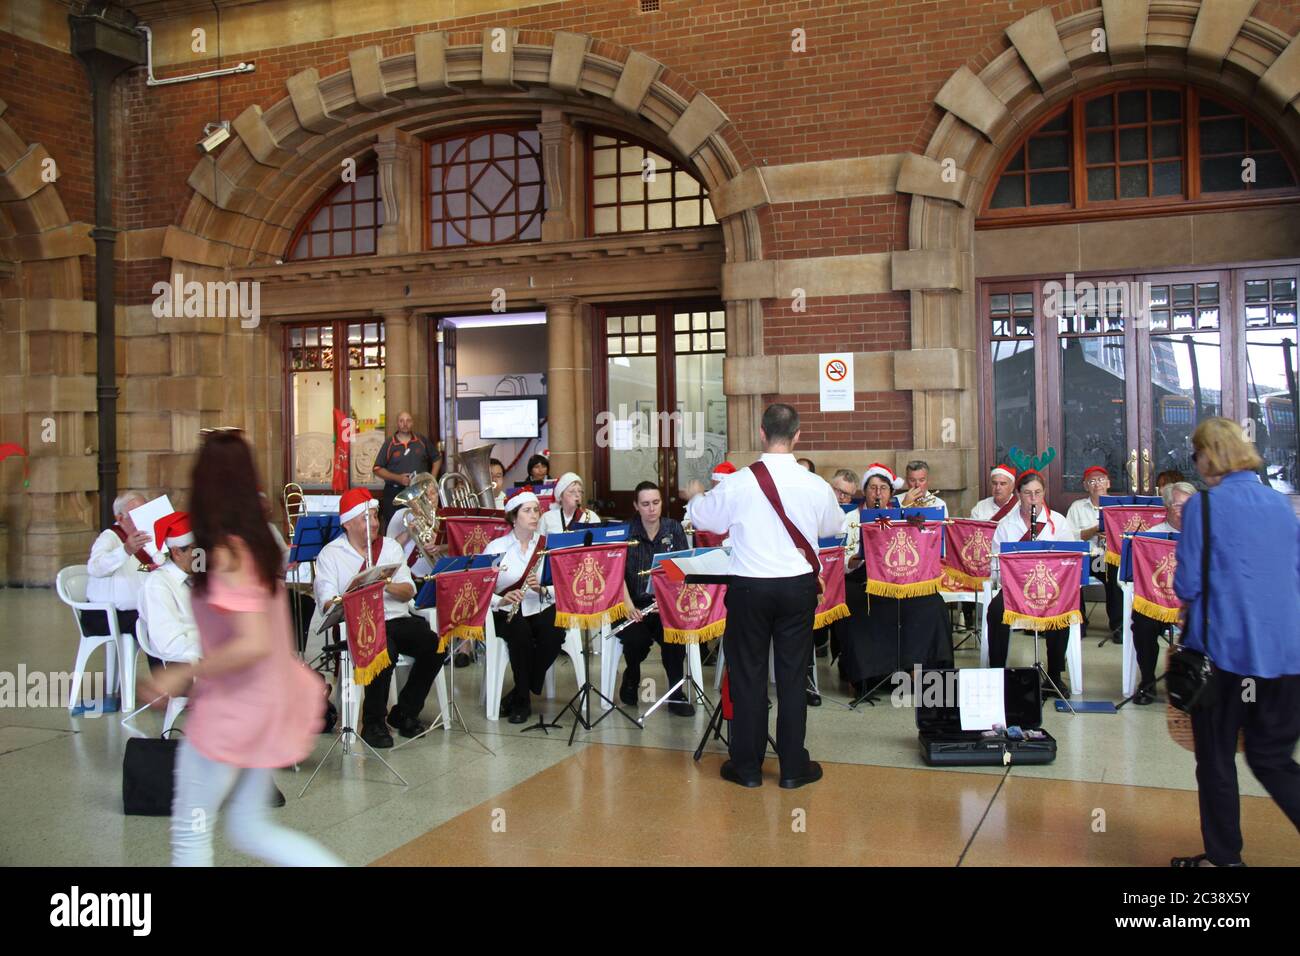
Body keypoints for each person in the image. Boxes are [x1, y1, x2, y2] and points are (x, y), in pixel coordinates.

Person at [141, 430, 342, 867]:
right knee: (251, 828)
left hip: (234, 709)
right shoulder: (257, 543)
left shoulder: (226, 552)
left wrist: (180, 672)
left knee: (191, 837)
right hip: (267, 703)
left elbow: (250, 641)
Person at [687, 403, 844, 790]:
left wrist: (694, 495)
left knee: (748, 677)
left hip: (750, 589)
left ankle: (748, 767)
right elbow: (833, 526)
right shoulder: (814, 484)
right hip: (796, 588)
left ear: (761, 433)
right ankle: (792, 768)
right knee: (792, 677)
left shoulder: (738, 482)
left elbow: (705, 520)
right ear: (798, 436)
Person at [1169, 418, 1300, 867]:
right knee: (1272, 758)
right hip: (1286, 655)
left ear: (1209, 455)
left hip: (1224, 655)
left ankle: (1224, 862)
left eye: (1196, 453)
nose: (1196, 461)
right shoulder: (1281, 505)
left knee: (1217, 760)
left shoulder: (1204, 508)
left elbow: (1186, 585)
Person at [314, 488, 444, 748]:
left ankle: (404, 712)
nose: (373, 523)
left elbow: (409, 591)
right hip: (361, 623)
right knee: (385, 650)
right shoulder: (331, 554)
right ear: (348, 523)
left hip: (397, 618)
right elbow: (327, 602)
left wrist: (384, 585)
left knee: (435, 645)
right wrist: (356, 593)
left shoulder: (391, 547)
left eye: (374, 517)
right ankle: (373, 723)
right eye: (365, 519)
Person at [835, 464, 954, 700]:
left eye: (883, 489)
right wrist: (858, 558)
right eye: (872, 488)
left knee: (932, 605)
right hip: (864, 580)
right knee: (856, 604)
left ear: (891, 493)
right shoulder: (851, 518)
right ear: (865, 492)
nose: (878, 494)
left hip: (902, 580)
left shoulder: (904, 517)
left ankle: (925, 674)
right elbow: (842, 559)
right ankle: (866, 676)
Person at [987, 471, 1079, 698]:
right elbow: (995, 568)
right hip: (1016, 589)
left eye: (1038, 493)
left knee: (1061, 611)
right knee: (995, 610)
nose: (1033, 499)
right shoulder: (1006, 525)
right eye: (1028, 493)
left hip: (1049, 588)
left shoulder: (1058, 522)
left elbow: (1071, 561)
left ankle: (1055, 675)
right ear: (1018, 494)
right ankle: (997, 673)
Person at [483, 492, 562, 724]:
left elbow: (562, 585)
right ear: (514, 517)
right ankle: (522, 702)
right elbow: (481, 589)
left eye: (536, 510)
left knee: (555, 631)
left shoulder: (547, 545)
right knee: (521, 636)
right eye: (527, 511)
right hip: (506, 611)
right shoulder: (496, 547)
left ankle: (522, 689)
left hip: (539, 606)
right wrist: (502, 599)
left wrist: (543, 590)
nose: (534, 515)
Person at [618, 481, 693, 716]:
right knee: (636, 640)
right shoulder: (626, 531)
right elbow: (614, 575)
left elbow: (682, 569)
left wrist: (669, 601)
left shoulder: (673, 528)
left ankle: (675, 693)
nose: (652, 509)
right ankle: (632, 674)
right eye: (646, 504)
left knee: (674, 640)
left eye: (656, 503)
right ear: (636, 506)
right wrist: (628, 606)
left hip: (665, 603)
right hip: (631, 602)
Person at [1129, 481, 1195, 704]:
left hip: (1192, 602)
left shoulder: (1204, 535)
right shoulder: (1152, 536)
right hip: (1159, 600)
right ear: (1166, 507)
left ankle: (1192, 684)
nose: (1184, 512)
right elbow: (1136, 574)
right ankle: (1147, 682)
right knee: (1142, 623)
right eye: (1178, 506)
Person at [85, 490, 162, 648]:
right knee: (157, 631)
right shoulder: (109, 537)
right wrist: (125, 550)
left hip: (138, 610)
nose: (143, 520)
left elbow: (143, 569)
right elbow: (94, 568)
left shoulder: (148, 539)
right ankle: (166, 673)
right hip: (107, 615)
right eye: (137, 515)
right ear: (120, 518)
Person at [1065, 465, 1122, 644]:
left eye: (1101, 479)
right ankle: (1078, 621)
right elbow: (1069, 536)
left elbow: (1128, 536)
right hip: (1086, 556)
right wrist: (1093, 531)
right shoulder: (1077, 507)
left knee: (1115, 572)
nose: (1097, 484)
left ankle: (1118, 625)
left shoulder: (1119, 507)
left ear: (1108, 483)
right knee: (1071, 569)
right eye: (1092, 481)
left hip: (1109, 556)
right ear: (1085, 486)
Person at [139, 512, 202, 665]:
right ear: (177, 552)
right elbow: (169, 643)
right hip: (185, 663)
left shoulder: (199, 573)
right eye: (196, 549)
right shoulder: (158, 584)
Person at [371, 411, 438, 526]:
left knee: (422, 526)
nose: (405, 424)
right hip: (394, 493)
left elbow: (437, 459)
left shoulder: (421, 440)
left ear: (412, 423)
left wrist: (431, 479)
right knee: (394, 526)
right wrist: (398, 478)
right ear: (397, 423)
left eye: (408, 420)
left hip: (420, 495)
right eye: (401, 421)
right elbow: (377, 469)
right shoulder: (389, 443)